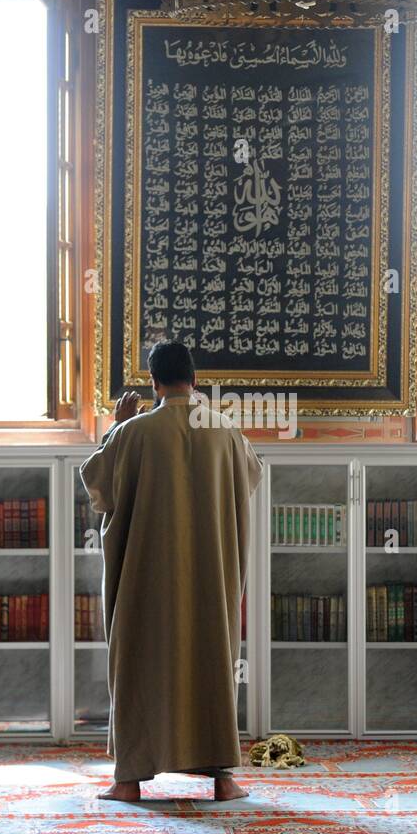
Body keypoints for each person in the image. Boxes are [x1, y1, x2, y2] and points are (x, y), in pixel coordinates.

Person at [80, 341, 262, 801]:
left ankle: (128, 781)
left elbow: (98, 484)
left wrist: (117, 426)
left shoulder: (134, 432)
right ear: (195, 381)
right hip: (209, 581)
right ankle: (223, 779)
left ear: (154, 383)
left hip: (147, 582)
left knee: (139, 665)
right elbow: (251, 478)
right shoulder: (225, 431)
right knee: (212, 662)